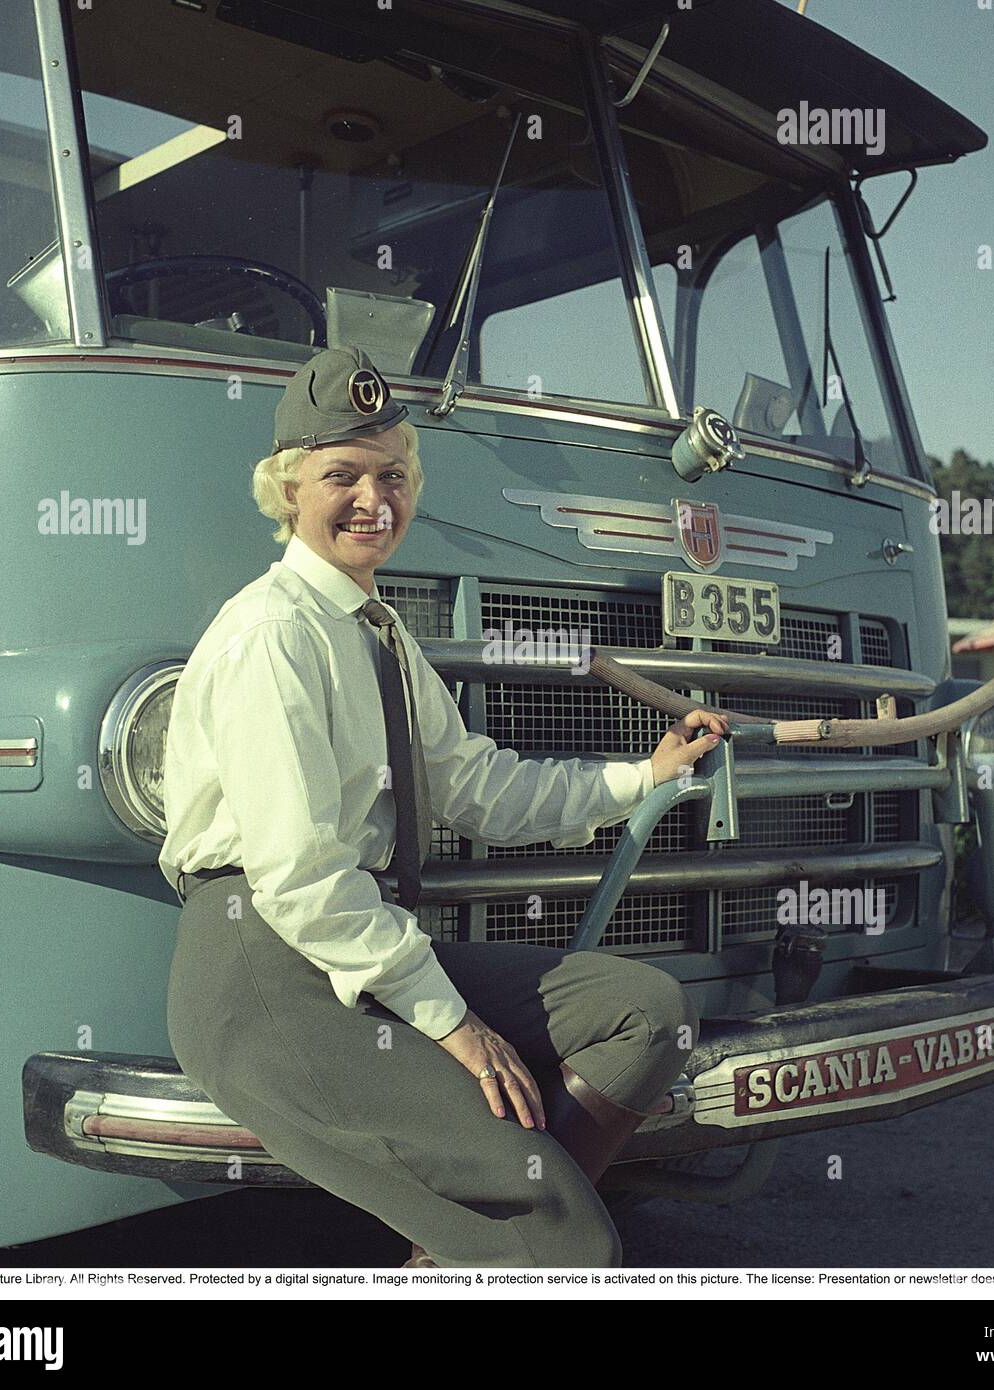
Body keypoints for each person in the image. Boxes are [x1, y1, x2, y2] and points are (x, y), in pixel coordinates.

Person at [159, 345, 729, 1268]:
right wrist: (456, 1028)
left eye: (391, 474)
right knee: (567, 1240)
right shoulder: (272, 637)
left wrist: (645, 775)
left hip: (358, 942)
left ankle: (462, 1248)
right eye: (339, 476)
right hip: (264, 972)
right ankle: (525, 1235)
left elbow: (477, 786)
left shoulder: (378, 631)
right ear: (286, 491)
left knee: (644, 1010)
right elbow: (302, 878)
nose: (370, 500)